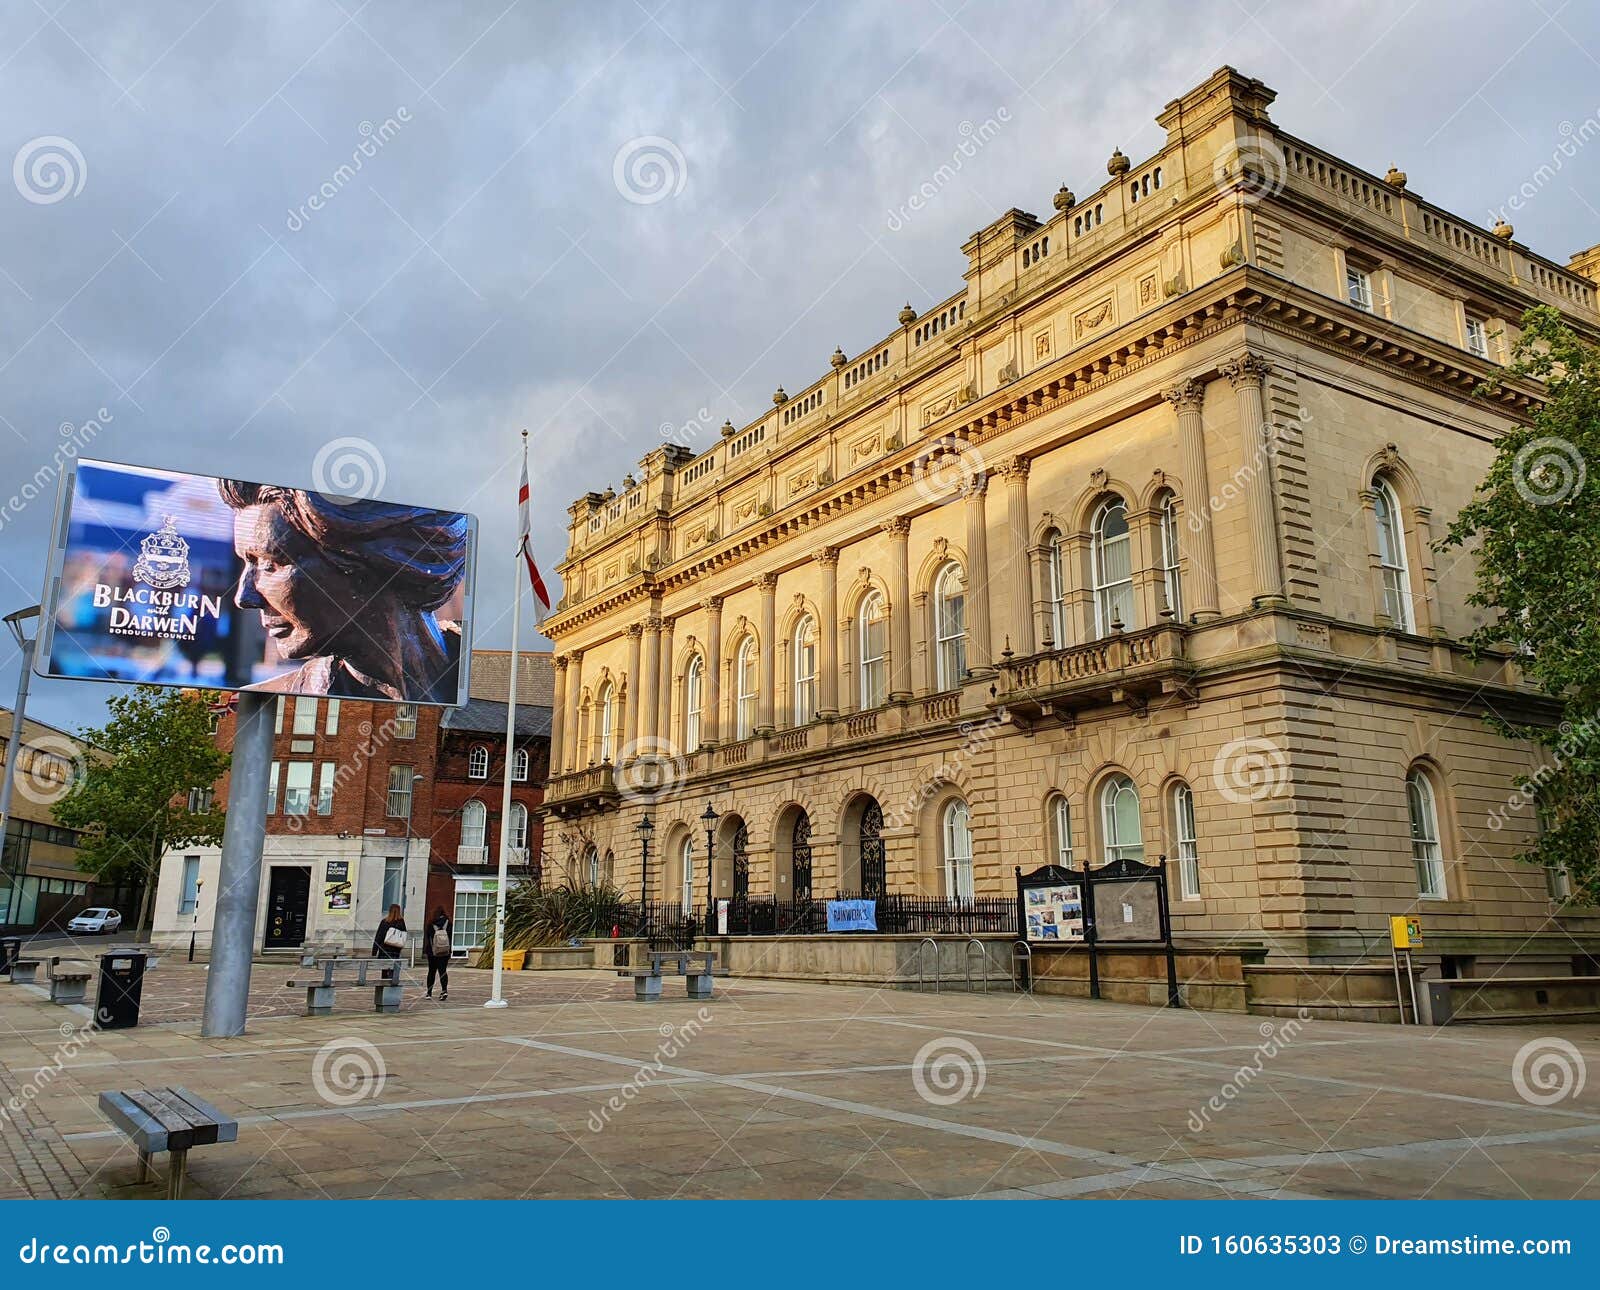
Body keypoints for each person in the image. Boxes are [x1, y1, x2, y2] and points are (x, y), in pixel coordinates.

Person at [217, 479, 469, 702]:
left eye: (269, 564)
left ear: (366, 561)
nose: (244, 597)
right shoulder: (260, 706)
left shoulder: (483, 682)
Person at [424, 905, 452, 1000]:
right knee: (443, 971)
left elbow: (428, 937)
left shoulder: (431, 923)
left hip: (432, 952)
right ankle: (444, 990)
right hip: (445, 951)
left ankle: (429, 992)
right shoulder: (448, 923)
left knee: (431, 972)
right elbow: (450, 937)